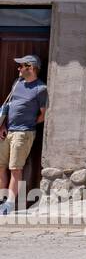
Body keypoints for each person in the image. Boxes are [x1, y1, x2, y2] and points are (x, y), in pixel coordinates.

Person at [0, 55, 47, 216]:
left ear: (31, 68)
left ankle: (9, 204)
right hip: (8, 131)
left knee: (15, 168)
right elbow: (9, 106)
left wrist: (29, 126)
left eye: (21, 66)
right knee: (1, 166)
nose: (18, 68)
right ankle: (1, 200)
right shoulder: (17, 83)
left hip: (23, 133)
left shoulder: (40, 89)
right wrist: (3, 125)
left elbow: (43, 114)